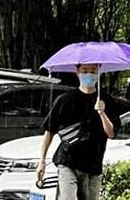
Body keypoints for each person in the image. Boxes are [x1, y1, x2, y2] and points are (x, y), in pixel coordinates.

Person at [36, 63, 121, 200]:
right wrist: (42, 161)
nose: (89, 74)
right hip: (67, 161)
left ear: (99, 72)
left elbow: (111, 134)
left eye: (93, 70)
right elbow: (49, 132)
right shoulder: (64, 100)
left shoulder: (107, 101)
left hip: (92, 164)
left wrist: (102, 113)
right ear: (77, 72)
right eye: (85, 70)